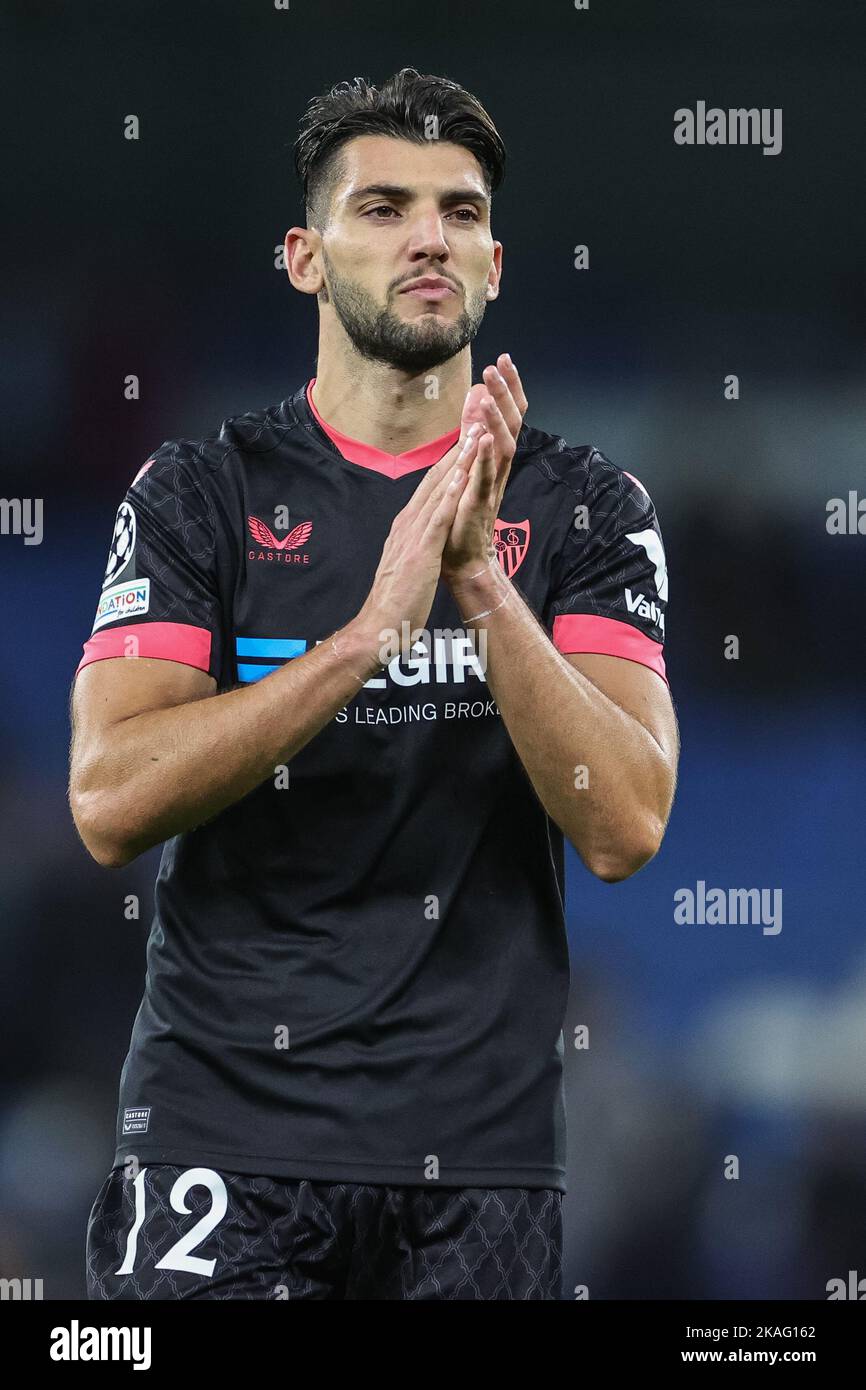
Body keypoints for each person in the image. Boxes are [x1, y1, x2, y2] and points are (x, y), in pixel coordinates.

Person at [71, 67, 678, 1301]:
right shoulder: (200, 496)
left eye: (459, 213)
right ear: (303, 255)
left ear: (495, 264)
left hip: (480, 1170)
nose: (427, 239)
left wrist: (482, 593)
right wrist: (360, 640)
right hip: (221, 1141)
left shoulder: (584, 511)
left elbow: (623, 824)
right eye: (383, 206)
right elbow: (110, 802)